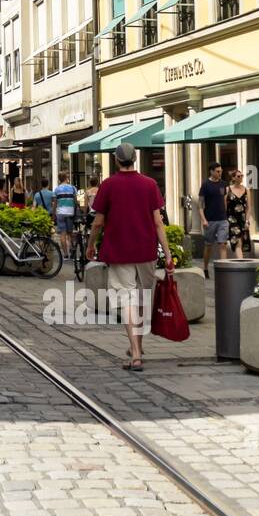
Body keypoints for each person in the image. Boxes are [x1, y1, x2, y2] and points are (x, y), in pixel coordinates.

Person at [87, 143, 172, 373]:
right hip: (146, 251)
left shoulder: (108, 185)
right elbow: (158, 222)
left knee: (127, 300)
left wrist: (90, 245)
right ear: (135, 159)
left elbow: (98, 222)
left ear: (116, 160)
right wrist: (168, 252)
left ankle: (135, 354)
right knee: (142, 300)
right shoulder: (149, 184)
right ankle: (138, 347)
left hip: (119, 251)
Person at [198, 162, 229, 275]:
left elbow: (224, 201)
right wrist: (203, 220)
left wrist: (226, 215)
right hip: (210, 220)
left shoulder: (224, 184)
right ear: (211, 171)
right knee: (208, 245)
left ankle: (223, 271)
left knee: (223, 244)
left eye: (221, 171)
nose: (220, 173)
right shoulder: (205, 185)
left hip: (222, 219)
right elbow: (200, 205)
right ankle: (205, 268)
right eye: (217, 171)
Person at [226, 168, 252, 259]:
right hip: (232, 219)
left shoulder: (246, 190)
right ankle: (241, 263)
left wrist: (247, 220)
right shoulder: (228, 190)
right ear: (233, 178)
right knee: (237, 242)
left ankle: (240, 261)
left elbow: (249, 207)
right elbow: (224, 206)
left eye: (242, 176)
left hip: (243, 219)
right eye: (238, 176)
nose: (241, 177)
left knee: (243, 242)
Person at [52, 171, 78, 256]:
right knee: (70, 233)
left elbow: (55, 203)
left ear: (59, 179)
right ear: (66, 178)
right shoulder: (72, 188)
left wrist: (53, 214)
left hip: (60, 213)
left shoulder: (57, 189)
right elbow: (75, 201)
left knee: (62, 234)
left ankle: (65, 254)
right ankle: (71, 249)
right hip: (70, 212)